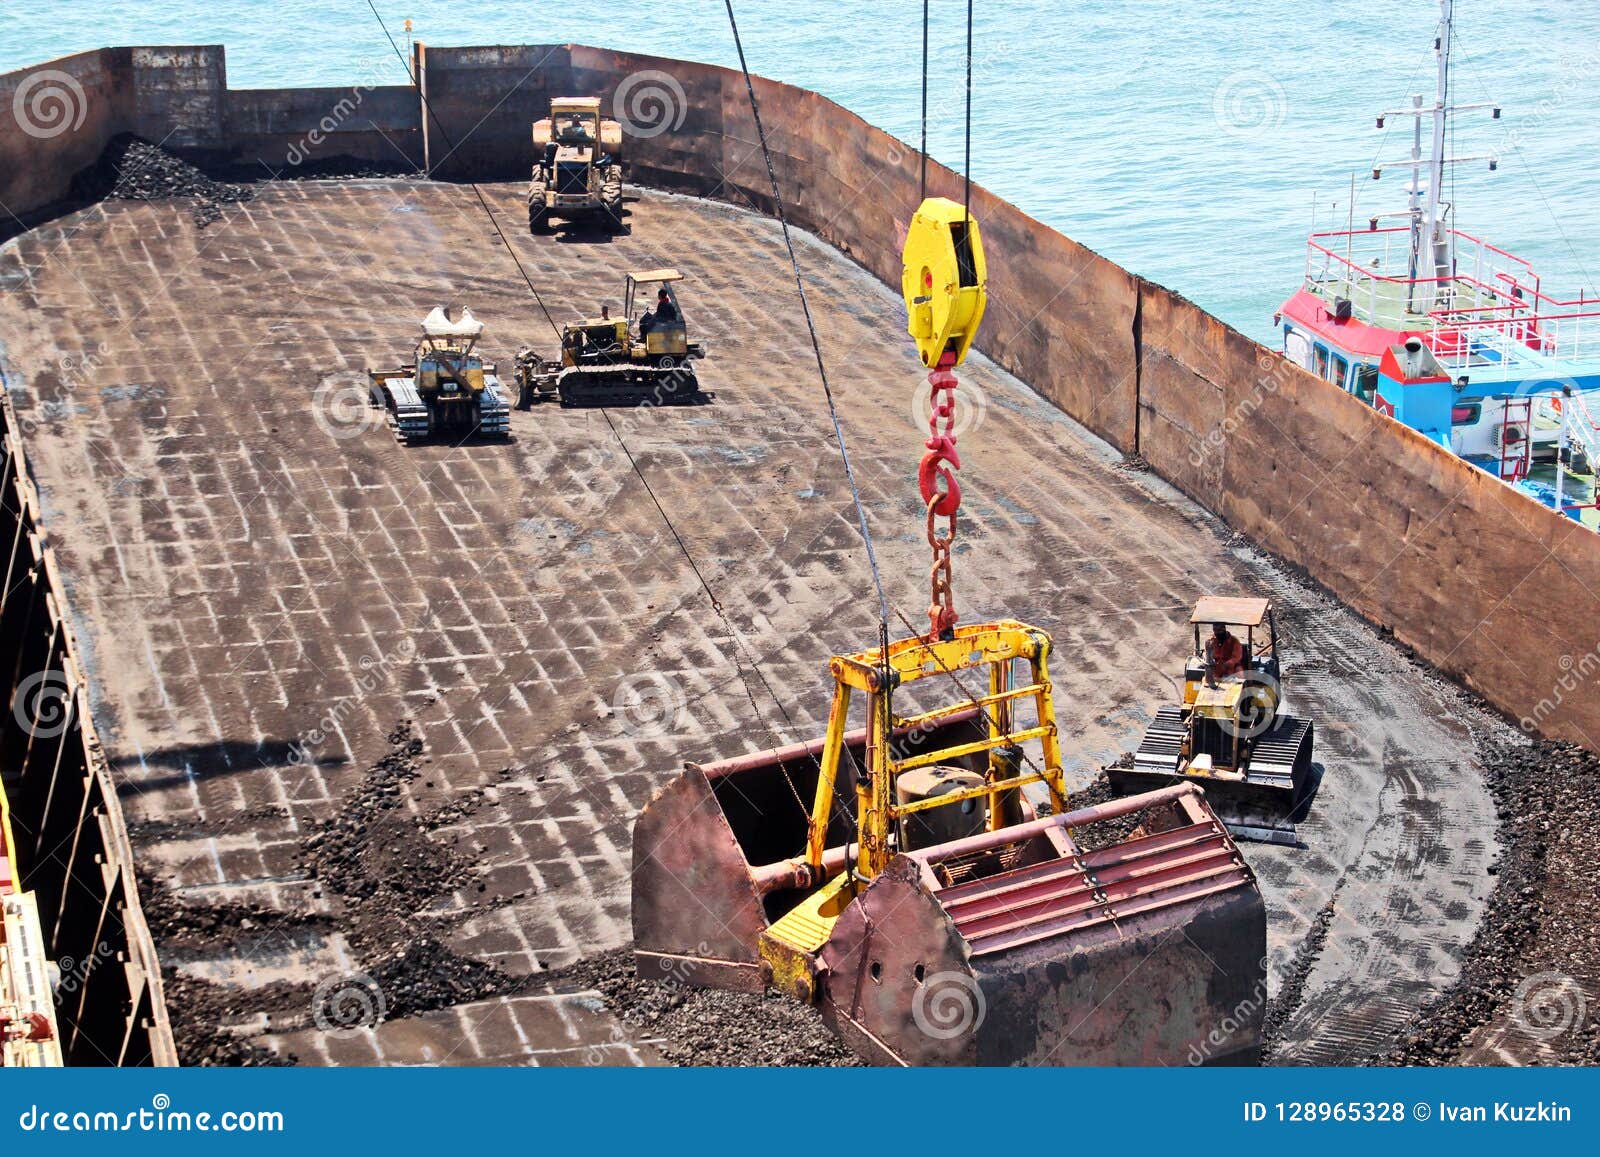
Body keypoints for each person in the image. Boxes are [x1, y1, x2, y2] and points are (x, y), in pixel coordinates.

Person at [1203, 622, 1245, 688]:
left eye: (1219, 631)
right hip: (1216, 668)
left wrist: (1226, 664)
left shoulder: (1234, 641)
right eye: (1215, 631)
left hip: (1232, 668)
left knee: (1240, 673)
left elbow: (1237, 657)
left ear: (1224, 629)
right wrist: (1209, 659)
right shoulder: (1211, 641)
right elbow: (1206, 653)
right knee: (1207, 674)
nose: (1217, 633)